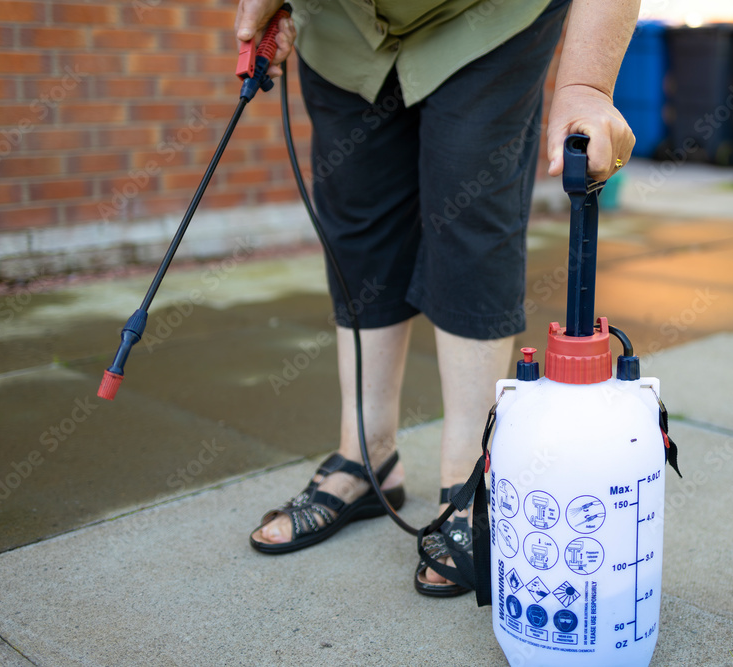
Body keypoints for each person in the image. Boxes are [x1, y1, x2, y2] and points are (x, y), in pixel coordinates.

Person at [237, 0, 638, 596]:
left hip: (489, 22)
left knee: (471, 216)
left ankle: (467, 482)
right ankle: (367, 460)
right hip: (343, 30)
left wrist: (584, 84)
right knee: (358, 215)